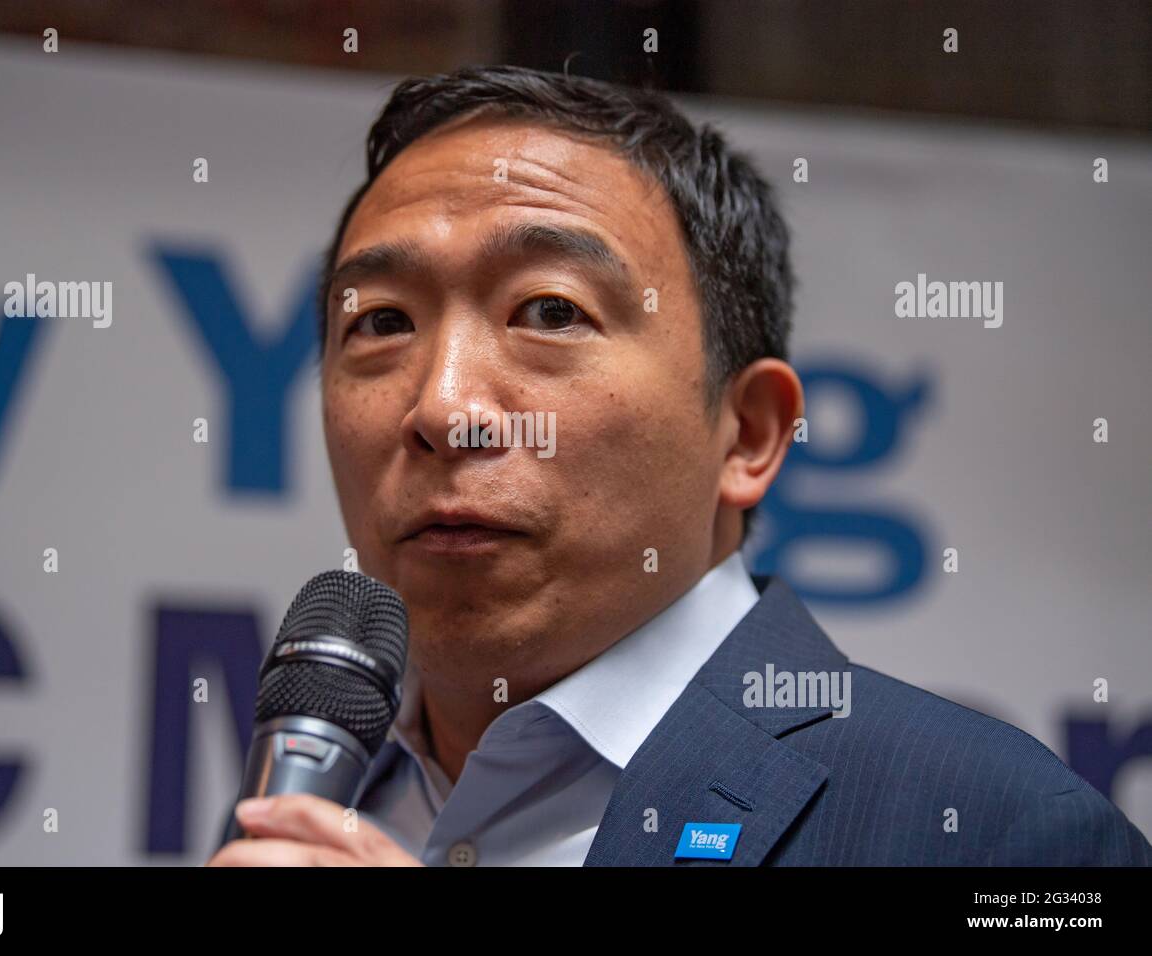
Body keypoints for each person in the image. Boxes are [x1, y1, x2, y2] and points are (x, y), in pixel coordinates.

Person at [208, 65, 1149, 867]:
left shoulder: (1001, 835)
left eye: (549, 311)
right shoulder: (299, 814)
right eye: (380, 322)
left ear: (748, 432)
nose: (444, 410)